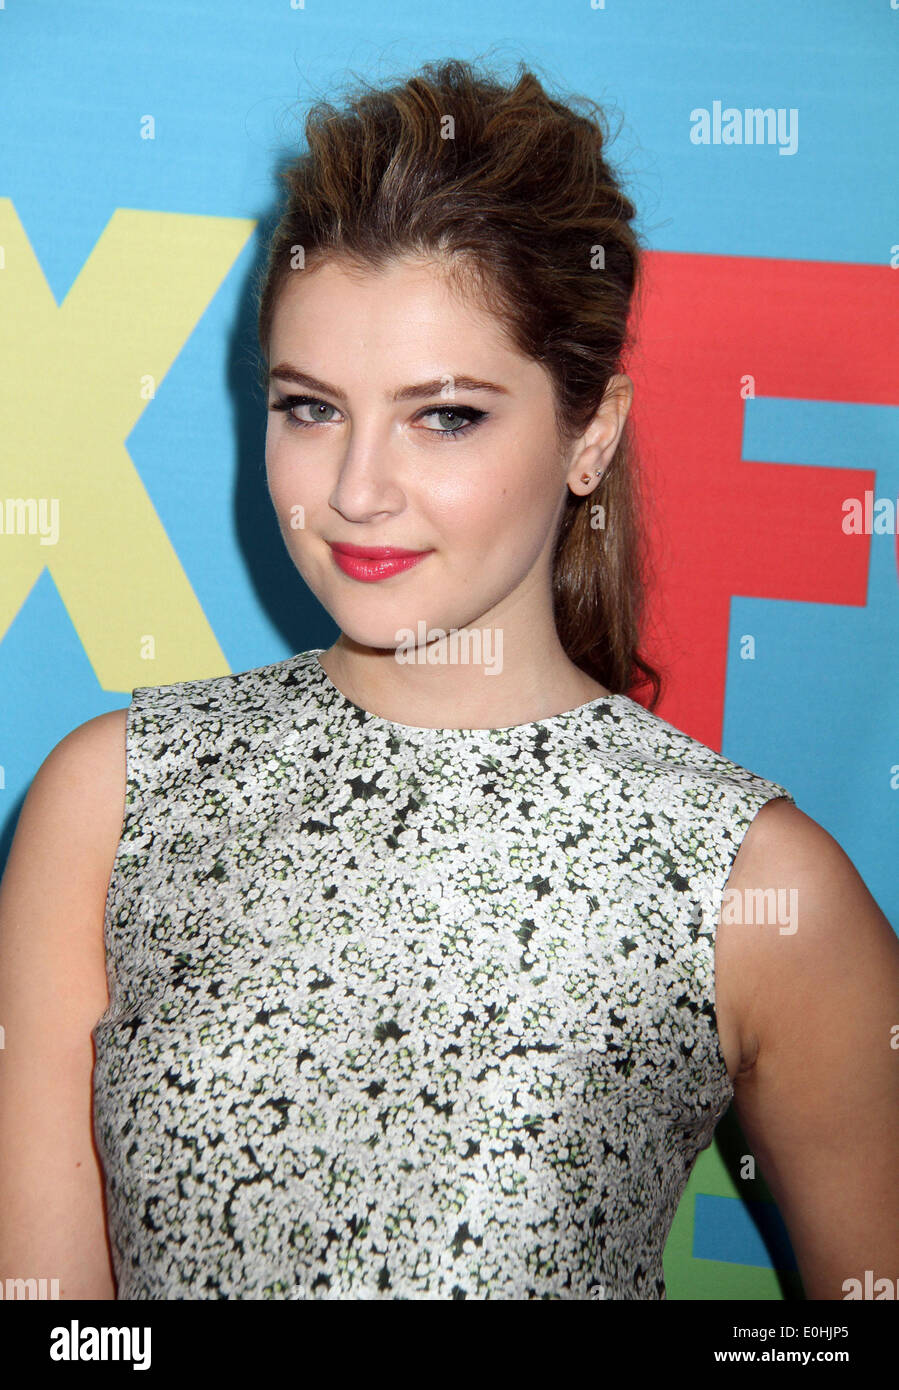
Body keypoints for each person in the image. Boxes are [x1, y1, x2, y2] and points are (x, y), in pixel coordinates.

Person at [0, 58, 896, 1302]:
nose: (356, 490)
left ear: (589, 433)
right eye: (310, 408)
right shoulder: (111, 802)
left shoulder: (752, 887)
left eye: (445, 415)